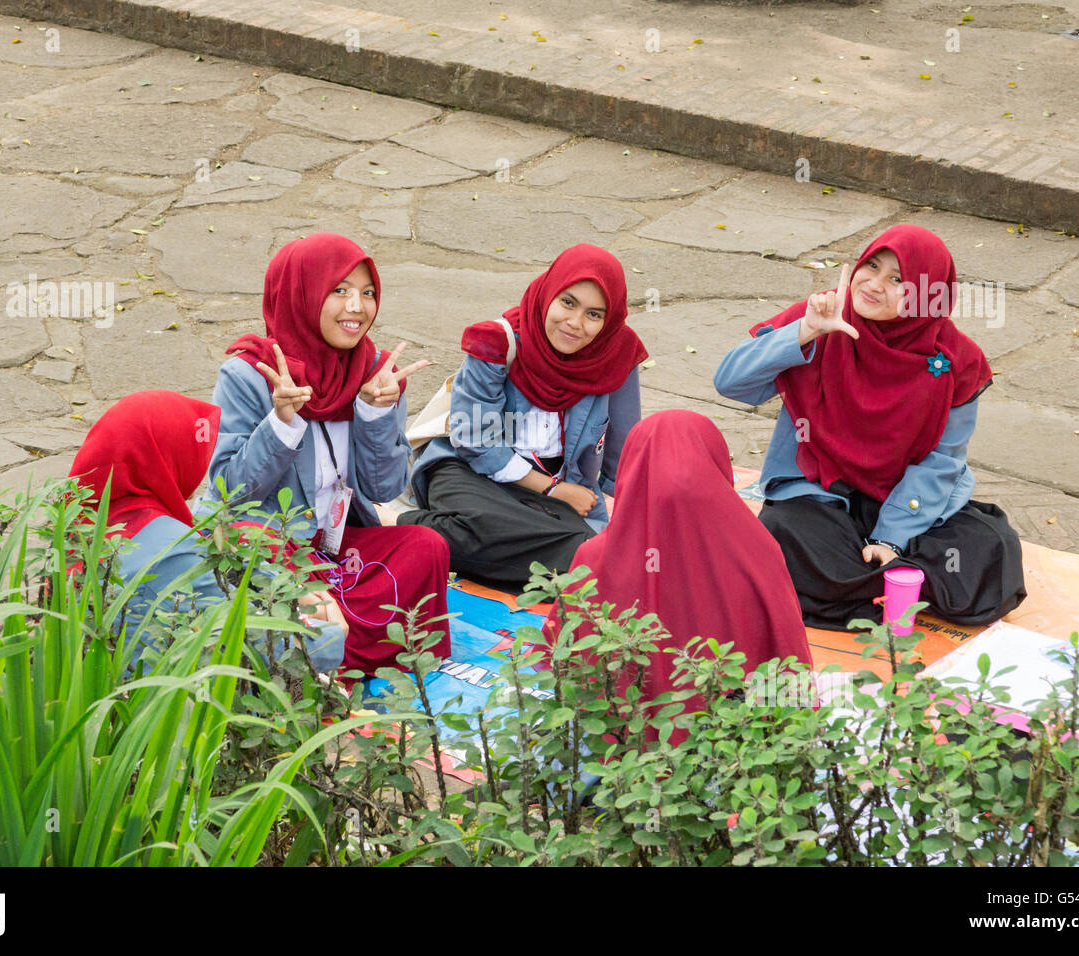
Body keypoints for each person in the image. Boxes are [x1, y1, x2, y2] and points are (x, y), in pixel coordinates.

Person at [713, 223, 1026, 630]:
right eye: (872, 266)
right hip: (820, 491)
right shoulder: (824, 318)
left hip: (906, 498)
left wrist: (890, 537)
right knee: (785, 535)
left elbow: (943, 461)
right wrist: (805, 333)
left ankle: (867, 584)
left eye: (897, 279)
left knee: (993, 548)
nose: (874, 284)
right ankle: (902, 587)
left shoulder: (956, 359)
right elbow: (731, 382)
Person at [206, 232, 451, 675]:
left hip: (335, 546)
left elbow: (386, 488)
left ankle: (318, 654)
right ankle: (318, 650)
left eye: (367, 292)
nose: (357, 307)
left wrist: (376, 415)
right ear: (302, 294)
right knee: (258, 553)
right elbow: (227, 491)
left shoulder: (373, 372)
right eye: (339, 290)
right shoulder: (250, 373)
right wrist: (281, 422)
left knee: (426, 545)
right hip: (271, 543)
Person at [539, 410, 813, 746]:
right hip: (737, 752)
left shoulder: (594, 559)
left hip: (621, 756)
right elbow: (788, 662)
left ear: (632, 470)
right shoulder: (759, 551)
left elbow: (559, 661)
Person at [399, 244, 645, 584]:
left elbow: (624, 448)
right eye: (568, 302)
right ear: (549, 294)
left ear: (609, 319)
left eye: (594, 314)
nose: (575, 323)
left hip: (555, 489)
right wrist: (552, 491)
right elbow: (474, 441)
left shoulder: (615, 356)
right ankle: (400, 527)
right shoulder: (497, 341)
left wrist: (634, 517)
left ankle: (456, 541)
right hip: (469, 470)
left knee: (587, 550)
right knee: (496, 525)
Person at [68, 389, 348, 671]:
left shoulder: (81, 525)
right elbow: (268, 648)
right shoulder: (172, 549)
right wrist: (333, 635)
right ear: (166, 459)